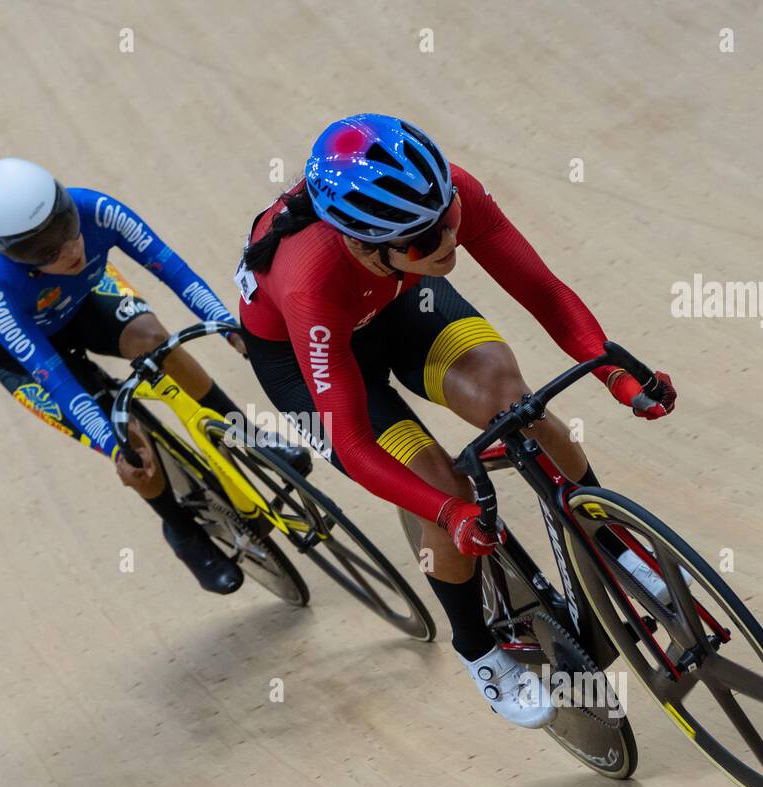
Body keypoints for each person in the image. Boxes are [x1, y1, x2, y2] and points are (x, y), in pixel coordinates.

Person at [234, 115, 676, 727]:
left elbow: (544, 291)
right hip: (306, 357)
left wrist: (614, 372)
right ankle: (478, 648)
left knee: (513, 399)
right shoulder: (312, 281)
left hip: (396, 300)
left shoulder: (443, 202)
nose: (445, 245)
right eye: (422, 241)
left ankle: (612, 547)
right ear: (363, 243)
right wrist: (450, 514)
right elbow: (356, 446)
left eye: (447, 223)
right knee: (441, 487)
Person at [0, 158, 308, 594]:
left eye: (65, 225)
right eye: (43, 251)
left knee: (154, 338)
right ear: (8, 253)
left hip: (83, 302)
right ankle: (182, 531)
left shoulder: (96, 210)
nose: (69, 250)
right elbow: (54, 377)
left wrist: (227, 327)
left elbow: (174, 270)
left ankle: (245, 433)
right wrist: (115, 445)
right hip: (30, 357)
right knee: (130, 442)